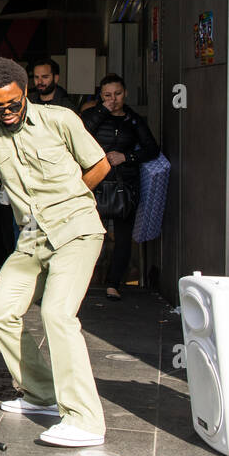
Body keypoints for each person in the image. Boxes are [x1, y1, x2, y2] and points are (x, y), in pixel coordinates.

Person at [0, 57, 112, 448]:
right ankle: (41, 394)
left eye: (13, 104)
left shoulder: (60, 119)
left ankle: (87, 421)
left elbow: (100, 164)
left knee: (57, 314)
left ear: (26, 93)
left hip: (75, 230)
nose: (6, 112)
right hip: (32, 238)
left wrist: (73, 200)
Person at [80, 74, 159, 300]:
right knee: (90, 234)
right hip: (94, 183)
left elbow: (151, 149)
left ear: (125, 93)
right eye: (107, 95)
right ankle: (84, 281)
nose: (113, 99)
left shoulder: (133, 120)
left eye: (118, 94)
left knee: (123, 237)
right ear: (100, 96)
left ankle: (113, 283)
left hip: (124, 184)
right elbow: (80, 132)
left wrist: (127, 156)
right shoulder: (91, 115)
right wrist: (103, 110)